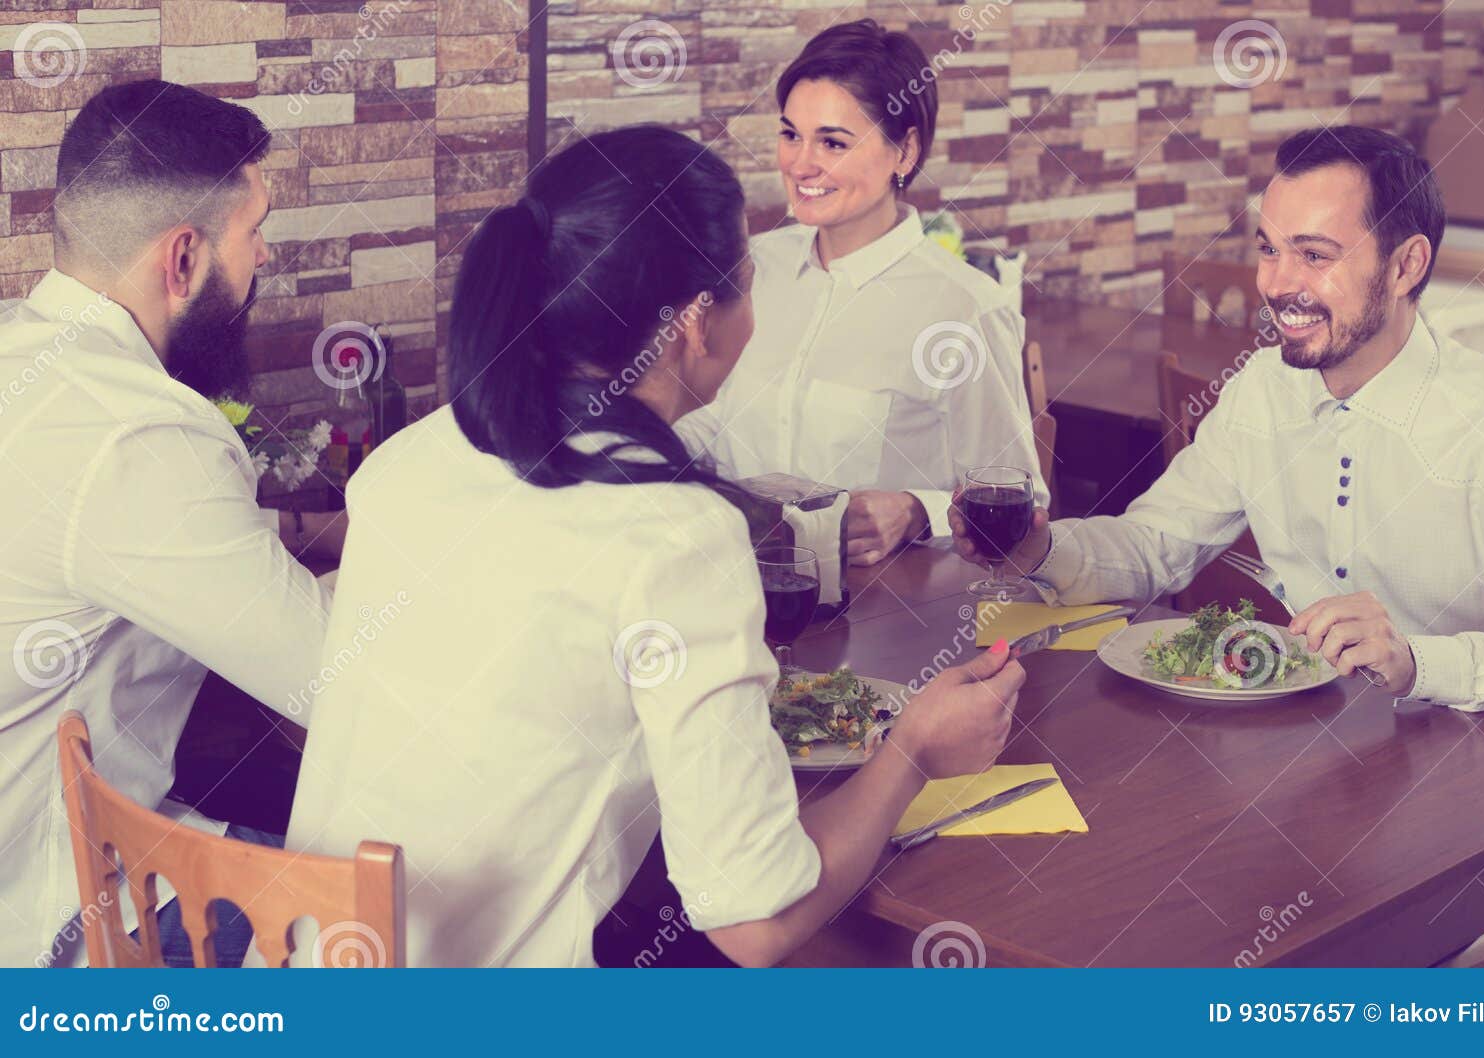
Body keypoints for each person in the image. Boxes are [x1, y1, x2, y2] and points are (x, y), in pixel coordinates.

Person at [281, 125, 1024, 967]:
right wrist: (915, 751)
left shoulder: (410, 458)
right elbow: (753, 923)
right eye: (747, 280)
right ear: (695, 325)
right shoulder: (673, 536)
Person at [950, 125, 1484, 711]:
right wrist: (1040, 549)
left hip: (1473, 773)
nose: (1278, 282)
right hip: (1314, 756)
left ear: (1406, 266)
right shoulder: (1262, 387)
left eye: (1314, 256)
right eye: (1270, 249)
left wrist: (1416, 662)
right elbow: (1155, 546)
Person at [0, 80, 344, 967]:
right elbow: (337, 680)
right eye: (255, 230)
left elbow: (152, 544)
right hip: (60, 925)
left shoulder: (24, 353)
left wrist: (326, 531)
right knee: (430, 926)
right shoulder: (139, 434)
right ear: (182, 259)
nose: (264, 256)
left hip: (89, 836)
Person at [676, 19, 1046, 567]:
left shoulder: (965, 311)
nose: (801, 164)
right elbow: (713, 421)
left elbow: (1023, 504)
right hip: (731, 589)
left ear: (905, 152)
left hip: (883, 624)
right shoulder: (751, 266)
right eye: (790, 134)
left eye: (833, 142)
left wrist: (916, 510)